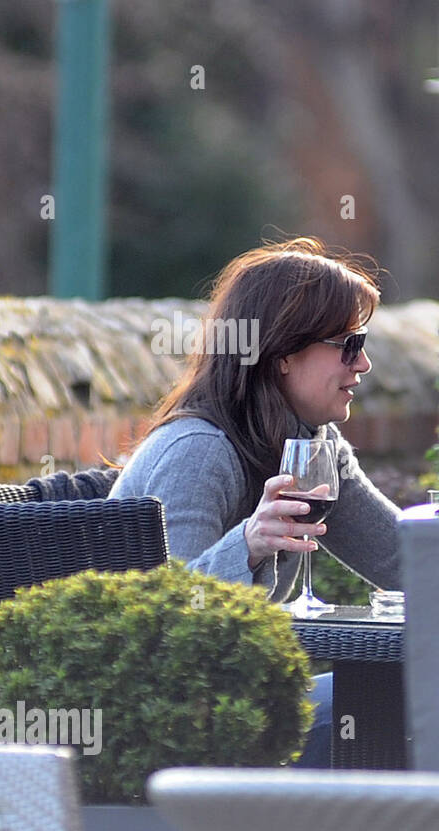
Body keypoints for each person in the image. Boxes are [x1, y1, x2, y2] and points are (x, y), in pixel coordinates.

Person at [110, 237, 401, 766]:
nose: (364, 364)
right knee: (382, 703)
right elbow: (173, 625)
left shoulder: (314, 446)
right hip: (160, 720)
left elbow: (398, 559)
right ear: (284, 354)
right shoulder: (199, 452)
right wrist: (244, 545)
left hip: (232, 701)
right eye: (350, 343)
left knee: (404, 691)